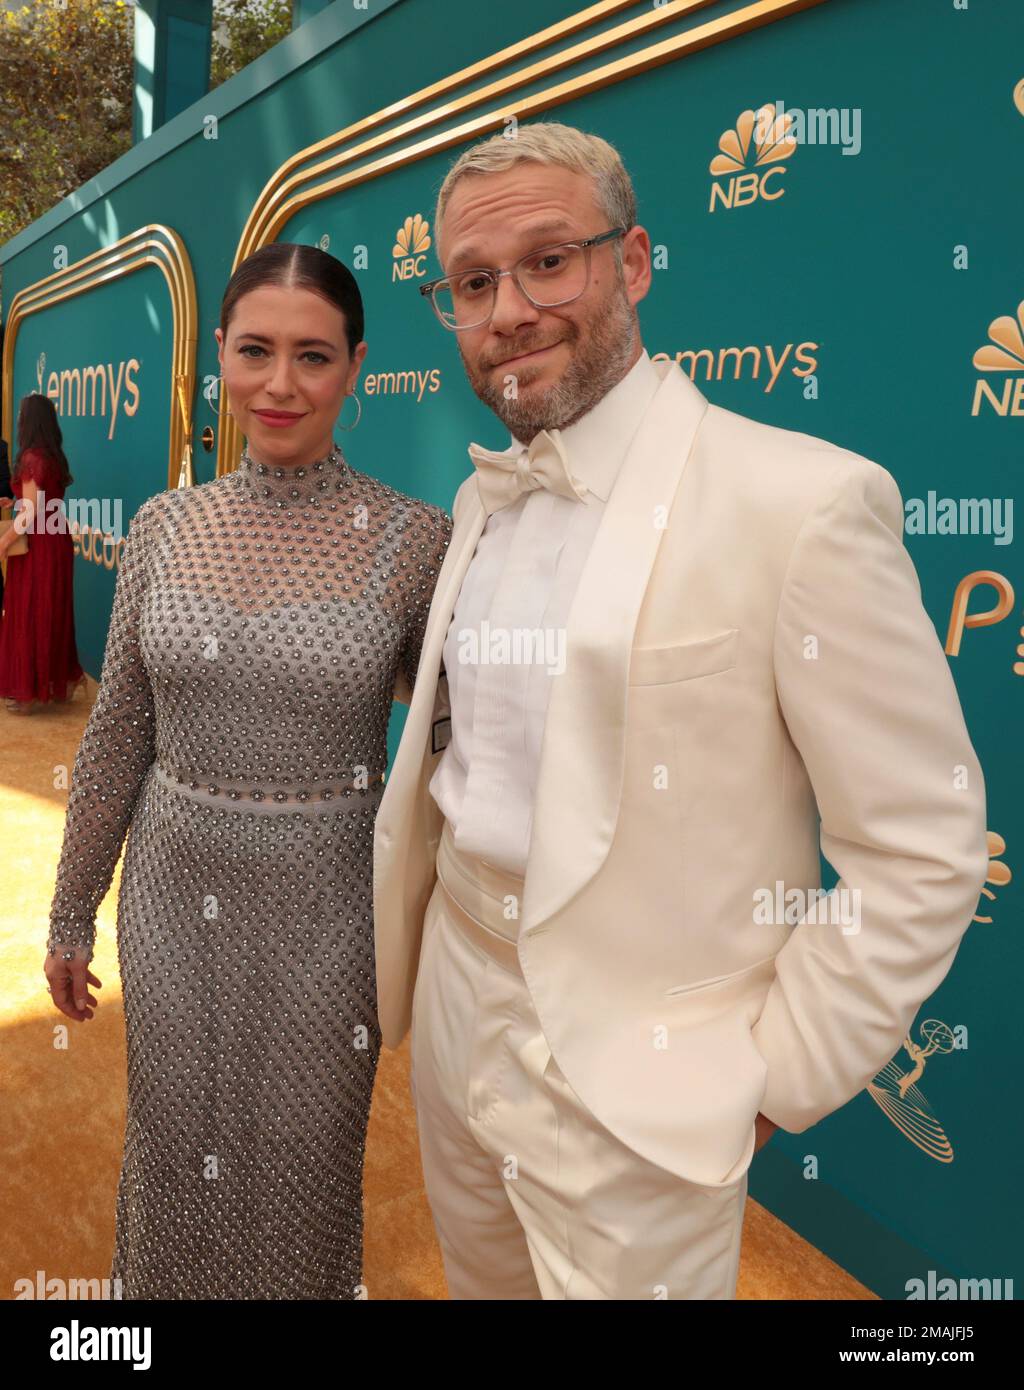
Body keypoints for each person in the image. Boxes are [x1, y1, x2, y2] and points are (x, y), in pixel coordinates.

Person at [372, 121, 990, 1299]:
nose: (509, 308)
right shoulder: (478, 493)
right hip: (455, 997)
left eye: (550, 260)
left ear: (636, 261)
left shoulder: (800, 502)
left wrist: (769, 1080)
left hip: (647, 1070)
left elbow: (921, 842)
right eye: (472, 282)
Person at [42, 242, 453, 1299]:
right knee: (173, 1142)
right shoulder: (163, 526)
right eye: (255, 350)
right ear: (218, 353)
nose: (280, 384)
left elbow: (456, 749)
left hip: (329, 908)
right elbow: (119, 732)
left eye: (312, 356)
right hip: (174, 892)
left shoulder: (415, 540)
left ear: (356, 364)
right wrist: (73, 911)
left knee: (304, 1163)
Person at [0, 396, 85, 712]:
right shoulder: (52, 456)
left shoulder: (31, 458)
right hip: (56, 538)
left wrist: (5, 540)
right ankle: (60, 682)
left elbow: (32, 511)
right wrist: (15, 503)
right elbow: (39, 502)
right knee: (53, 609)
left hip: (37, 544)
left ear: (28, 421)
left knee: (30, 611)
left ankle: (31, 692)